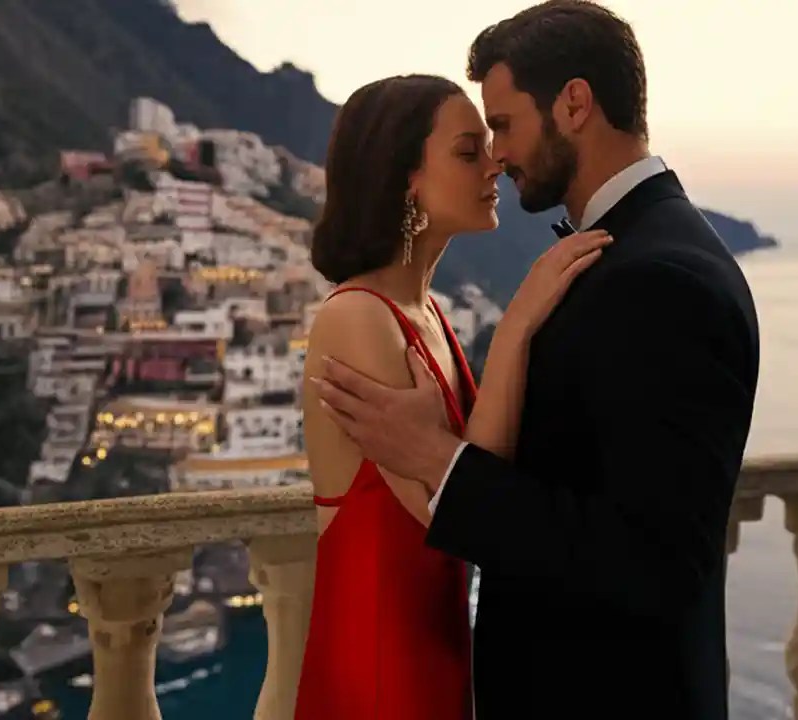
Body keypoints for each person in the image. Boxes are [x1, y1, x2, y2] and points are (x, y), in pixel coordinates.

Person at [312, 2, 762, 718]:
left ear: (574, 104)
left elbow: (655, 561)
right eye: (478, 141)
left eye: (504, 124)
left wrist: (441, 458)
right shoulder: (626, 258)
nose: (498, 154)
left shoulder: (657, 279)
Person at [295, 73, 612, 719]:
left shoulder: (428, 313)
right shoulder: (357, 318)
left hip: (434, 651)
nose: (495, 161)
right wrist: (519, 323)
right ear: (405, 178)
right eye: (468, 152)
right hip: (382, 666)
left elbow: (468, 474)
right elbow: (460, 514)